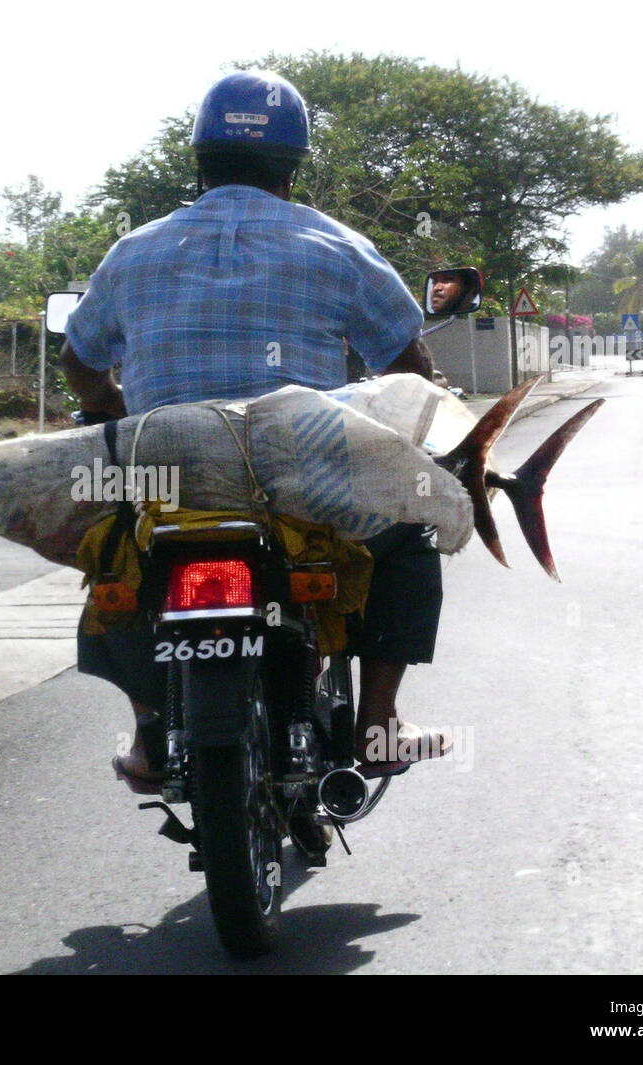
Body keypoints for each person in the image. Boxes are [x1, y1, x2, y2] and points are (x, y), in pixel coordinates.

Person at [61, 70, 451, 791]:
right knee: (409, 531)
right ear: (292, 165)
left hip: (167, 480)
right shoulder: (339, 246)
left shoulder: (134, 252)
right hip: (303, 481)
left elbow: (78, 361)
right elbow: (409, 365)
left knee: (109, 557)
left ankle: (150, 733)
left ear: (200, 159)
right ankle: (378, 722)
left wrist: (111, 405)